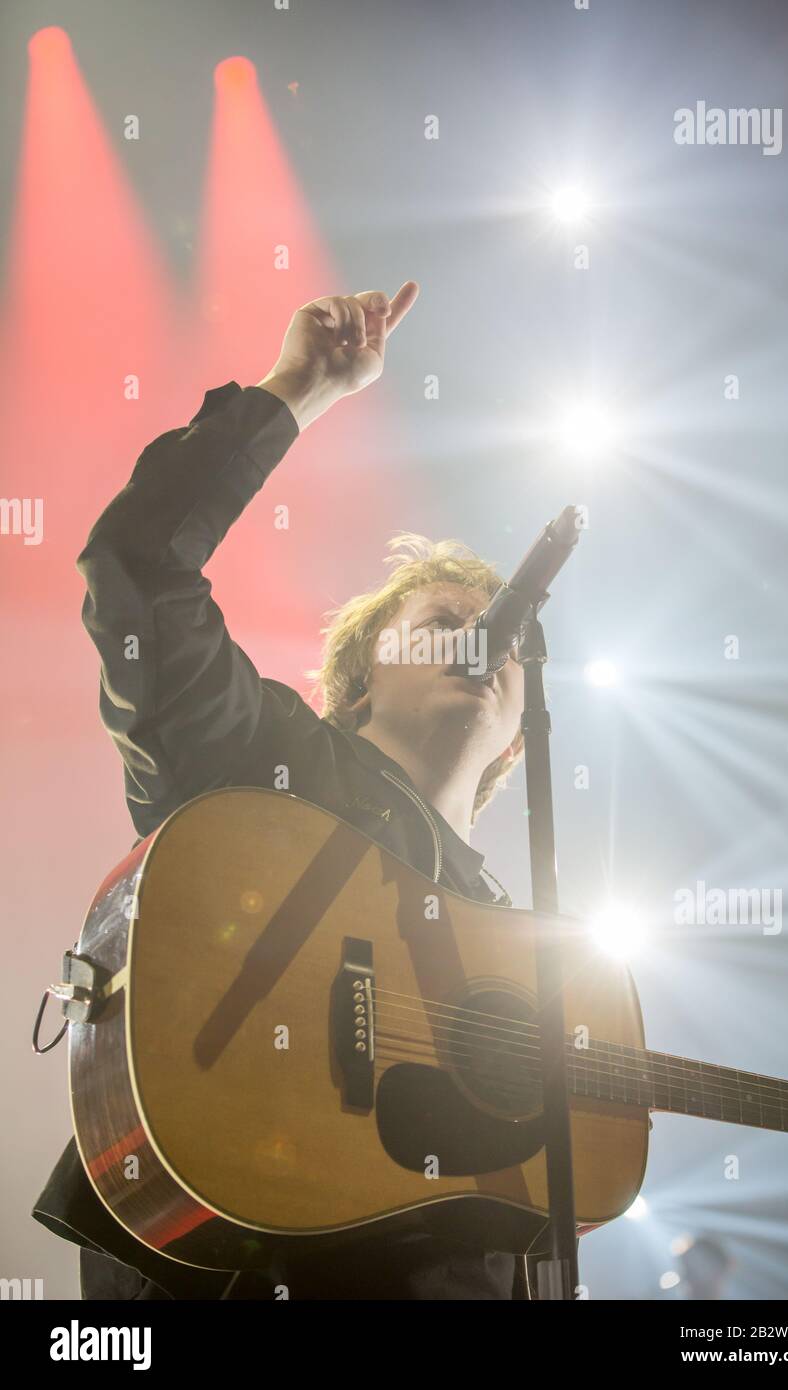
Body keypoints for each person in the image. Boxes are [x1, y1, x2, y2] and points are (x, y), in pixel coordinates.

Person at [32, 281, 543, 1299]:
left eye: (509, 638)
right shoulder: (267, 761)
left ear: (520, 733)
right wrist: (296, 389)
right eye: (443, 617)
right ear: (358, 684)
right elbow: (137, 569)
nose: (485, 640)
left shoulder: (518, 947)